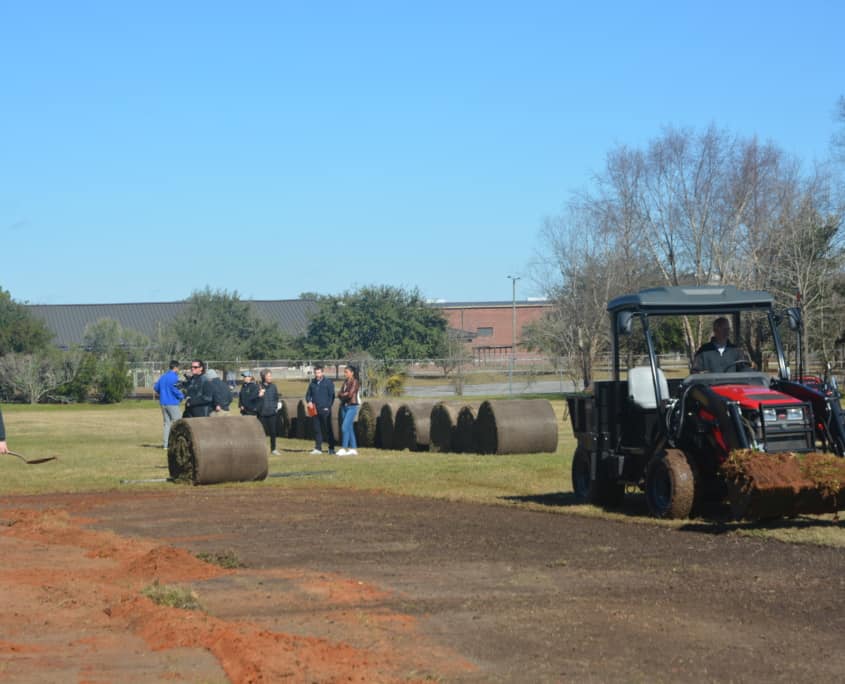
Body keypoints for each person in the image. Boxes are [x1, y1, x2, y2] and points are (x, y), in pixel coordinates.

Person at [153, 360, 184, 449]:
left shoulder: (163, 376)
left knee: (167, 424)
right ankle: (178, 443)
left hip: (163, 402)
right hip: (172, 403)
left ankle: (166, 445)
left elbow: (156, 387)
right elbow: (174, 389)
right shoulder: (174, 377)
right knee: (179, 423)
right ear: (176, 368)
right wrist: (181, 396)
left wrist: (162, 393)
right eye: (178, 368)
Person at [305, 364, 336, 455]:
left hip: (325, 410)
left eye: (318, 372)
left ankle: (331, 448)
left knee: (328, 429)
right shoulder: (312, 383)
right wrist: (309, 401)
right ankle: (318, 448)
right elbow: (308, 395)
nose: (317, 374)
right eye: (315, 373)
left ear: (322, 372)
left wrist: (328, 406)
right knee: (317, 429)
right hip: (314, 410)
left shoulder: (328, 382)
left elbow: (332, 396)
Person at [336, 364, 361, 456]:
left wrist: (343, 394)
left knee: (344, 427)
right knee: (349, 428)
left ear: (352, 373)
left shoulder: (355, 381)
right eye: (344, 372)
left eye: (346, 372)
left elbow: (350, 395)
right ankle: (353, 449)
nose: (345, 374)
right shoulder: (345, 382)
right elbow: (339, 394)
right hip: (344, 406)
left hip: (352, 407)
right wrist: (343, 394)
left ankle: (344, 448)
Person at [257, 369, 281, 455]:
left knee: (273, 432)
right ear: (264, 377)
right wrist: (259, 395)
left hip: (272, 413)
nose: (270, 377)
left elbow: (276, 397)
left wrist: (277, 404)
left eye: (271, 375)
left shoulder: (273, 386)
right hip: (262, 414)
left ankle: (273, 449)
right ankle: (261, 449)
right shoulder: (258, 387)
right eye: (269, 376)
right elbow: (255, 400)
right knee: (261, 432)